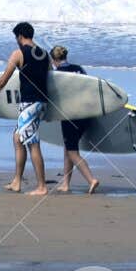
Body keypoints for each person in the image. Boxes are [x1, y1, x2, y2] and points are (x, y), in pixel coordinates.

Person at [0, 21, 51, 196]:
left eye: (16, 38)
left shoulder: (19, 53)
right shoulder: (44, 54)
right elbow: (52, 78)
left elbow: (4, 79)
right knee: (18, 138)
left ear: (20, 36)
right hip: (41, 102)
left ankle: (42, 186)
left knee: (32, 144)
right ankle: (17, 182)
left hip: (29, 103)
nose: (16, 41)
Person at [49, 46, 100, 195]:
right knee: (69, 148)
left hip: (71, 116)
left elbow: (53, 97)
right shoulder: (79, 69)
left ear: (54, 60)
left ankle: (91, 180)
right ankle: (66, 184)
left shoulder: (56, 74)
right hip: (87, 113)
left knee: (72, 152)